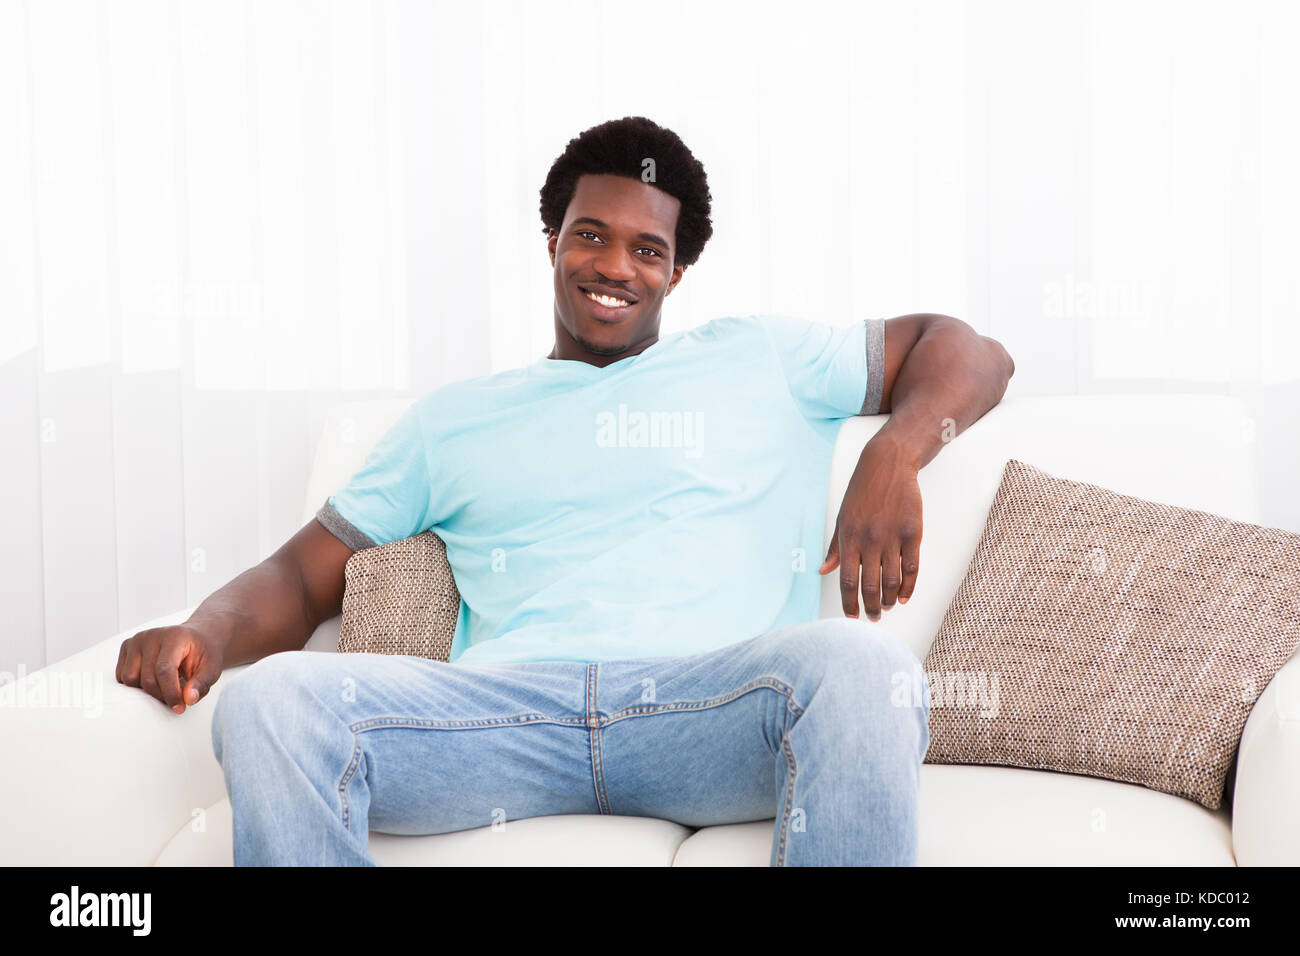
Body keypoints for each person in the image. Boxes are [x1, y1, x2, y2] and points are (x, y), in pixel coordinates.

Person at [115, 116, 1014, 866]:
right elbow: (302, 577)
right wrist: (205, 630)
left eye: (646, 249)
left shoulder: (760, 357)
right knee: (271, 702)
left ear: (676, 271)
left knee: (866, 670)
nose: (615, 266)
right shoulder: (453, 422)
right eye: (591, 235)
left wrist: (895, 453)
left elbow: (971, 351)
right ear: (553, 241)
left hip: (711, 713)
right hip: (505, 718)